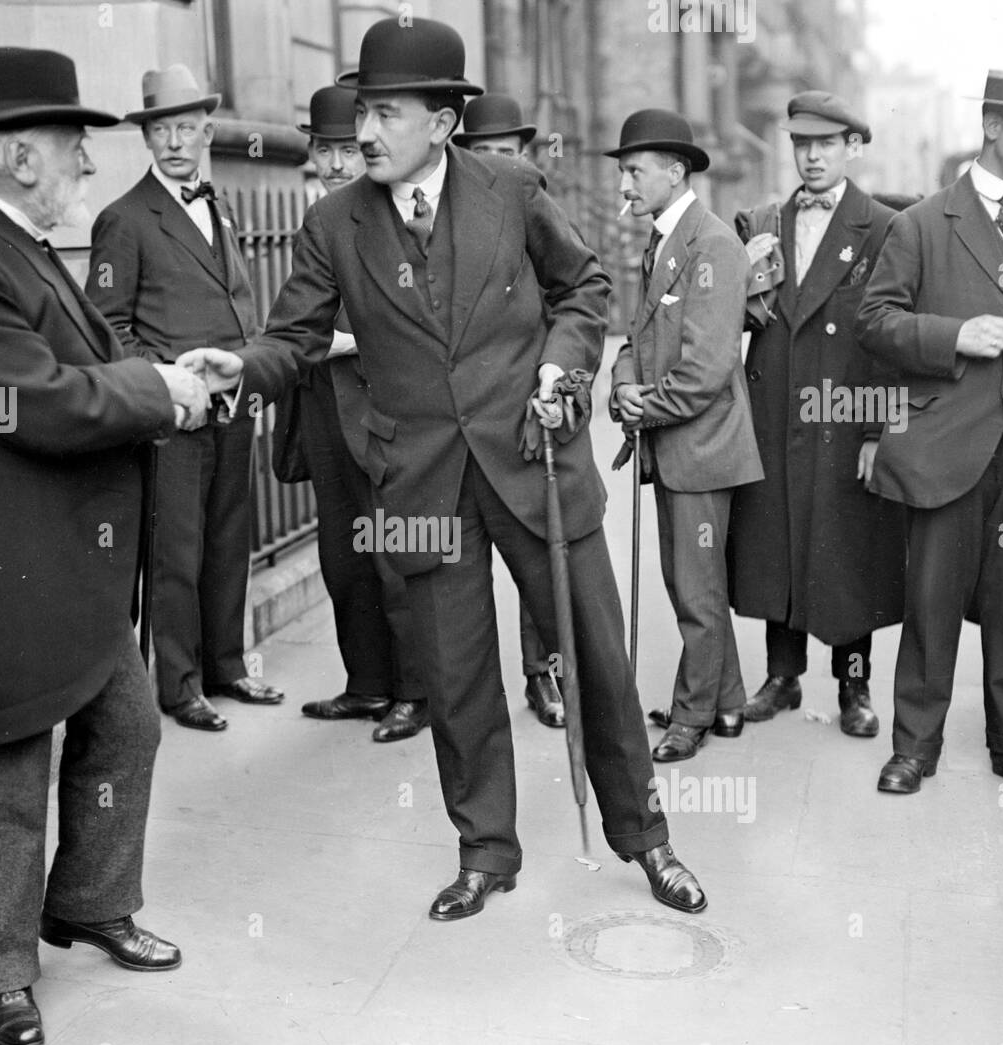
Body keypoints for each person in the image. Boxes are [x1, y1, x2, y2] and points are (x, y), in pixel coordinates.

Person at [190, 17, 706, 919]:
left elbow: (583, 289)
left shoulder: (510, 187)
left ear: (440, 121)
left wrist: (563, 370)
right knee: (457, 673)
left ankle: (647, 837)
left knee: (595, 661)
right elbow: (294, 334)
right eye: (362, 112)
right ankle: (485, 851)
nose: (366, 131)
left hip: (534, 458)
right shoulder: (332, 222)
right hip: (420, 482)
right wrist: (244, 366)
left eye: (386, 113)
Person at [0, 47, 202, 1045]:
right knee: (8, 761)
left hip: (59, 556)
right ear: (22, 152)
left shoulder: (4, 236)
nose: (85, 166)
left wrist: (163, 369)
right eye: (74, 145)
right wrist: (164, 394)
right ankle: (5, 972)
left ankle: (87, 902)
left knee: (127, 728)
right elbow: (36, 403)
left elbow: (86, 357)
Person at [855, 69, 1003, 798]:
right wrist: (952, 335)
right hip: (946, 451)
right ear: (992, 124)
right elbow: (874, 321)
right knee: (932, 604)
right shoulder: (921, 224)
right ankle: (915, 745)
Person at [86, 64, 283, 733]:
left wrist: (246, 369)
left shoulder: (218, 205)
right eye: (159, 128)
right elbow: (105, 329)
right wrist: (169, 381)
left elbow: (238, 305)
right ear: (146, 137)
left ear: (206, 129)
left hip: (232, 407)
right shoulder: (124, 219)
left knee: (231, 541)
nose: (173, 140)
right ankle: (179, 684)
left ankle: (227, 664)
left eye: (184, 126)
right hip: (172, 417)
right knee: (177, 551)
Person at [727, 91, 905, 738]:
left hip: (844, 414)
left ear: (853, 147)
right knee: (777, 538)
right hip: (776, 411)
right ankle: (782, 673)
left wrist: (877, 430)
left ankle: (853, 685)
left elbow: (890, 338)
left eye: (825, 145)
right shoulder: (763, 221)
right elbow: (741, 317)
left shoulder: (884, 226)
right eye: (802, 145)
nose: (812, 157)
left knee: (847, 549)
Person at [608, 109, 763, 764]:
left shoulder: (711, 246)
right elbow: (635, 337)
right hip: (680, 447)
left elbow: (704, 371)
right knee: (689, 584)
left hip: (702, 450)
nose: (625, 185)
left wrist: (644, 409)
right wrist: (621, 385)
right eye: (622, 172)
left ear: (676, 172)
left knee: (695, 590)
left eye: (635, 171)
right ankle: (726, 701)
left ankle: (692, 716)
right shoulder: (664, 238)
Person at [286, 85, 429, 742]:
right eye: (325, 150)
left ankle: (416, 692)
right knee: (343, 559)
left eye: (348, 149)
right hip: (325, 411)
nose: (337, 163)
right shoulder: (317, 218)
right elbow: (292, 323)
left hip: (386, 411)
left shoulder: (399, 214)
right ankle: (367, 684)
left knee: (396, 559)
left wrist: (350, 339)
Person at [453, 91, 565, 729]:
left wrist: (552, 374)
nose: (498, 164)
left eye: (507, 152)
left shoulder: (535, 207)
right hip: (467, 416)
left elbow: (571, 295)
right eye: (484, 153)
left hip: (525, 410)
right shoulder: (451, 218)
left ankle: (544, 674)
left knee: (539, 557)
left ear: (524, 155)